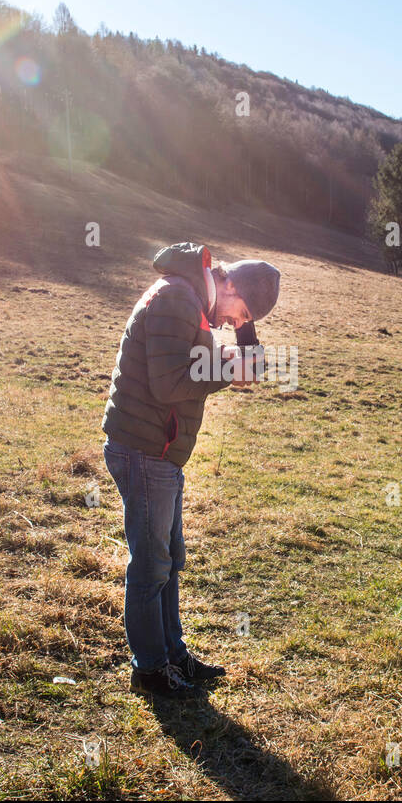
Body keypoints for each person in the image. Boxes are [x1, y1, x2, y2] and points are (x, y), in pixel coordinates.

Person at [100, 242, 281, 697]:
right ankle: (151, 670)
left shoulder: (192, 298)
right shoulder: (177, 298)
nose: (231, 324)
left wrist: (245, 341)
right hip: (144, 450)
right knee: (151, 564)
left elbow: (228, 365)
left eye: (240, 322)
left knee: (169, 560)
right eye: (238, 314)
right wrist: (228, 367)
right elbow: (169, 385)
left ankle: (173, 655)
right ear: (229, 284)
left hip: (160, 451)